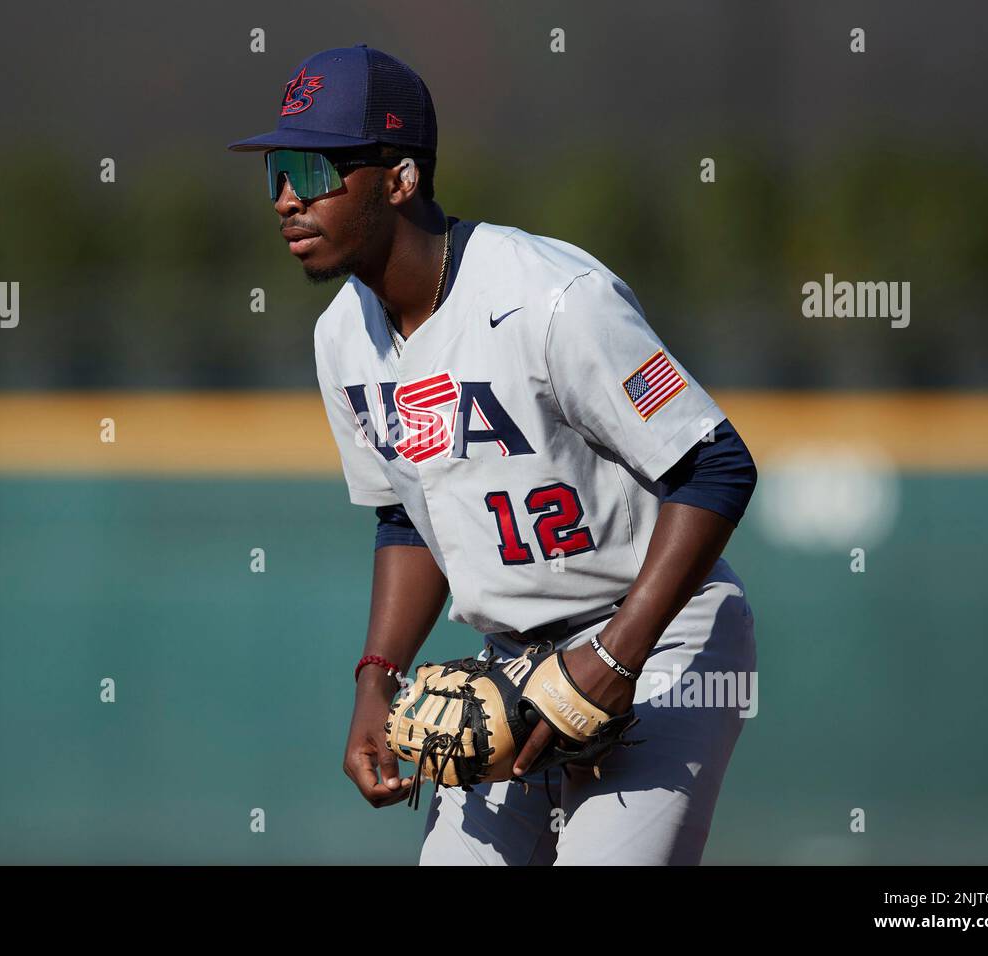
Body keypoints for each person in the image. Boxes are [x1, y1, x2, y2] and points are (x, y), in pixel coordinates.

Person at [228, 44, 759, 865]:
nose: (288, 197)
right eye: (275, 173)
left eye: (314, 166)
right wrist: (377, 678)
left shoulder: (551, 298)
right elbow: (407, 515)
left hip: (660, 639)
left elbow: (717, 464)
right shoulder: (341, 337)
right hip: (507, 667)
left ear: (401, 178)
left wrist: (616, 655)